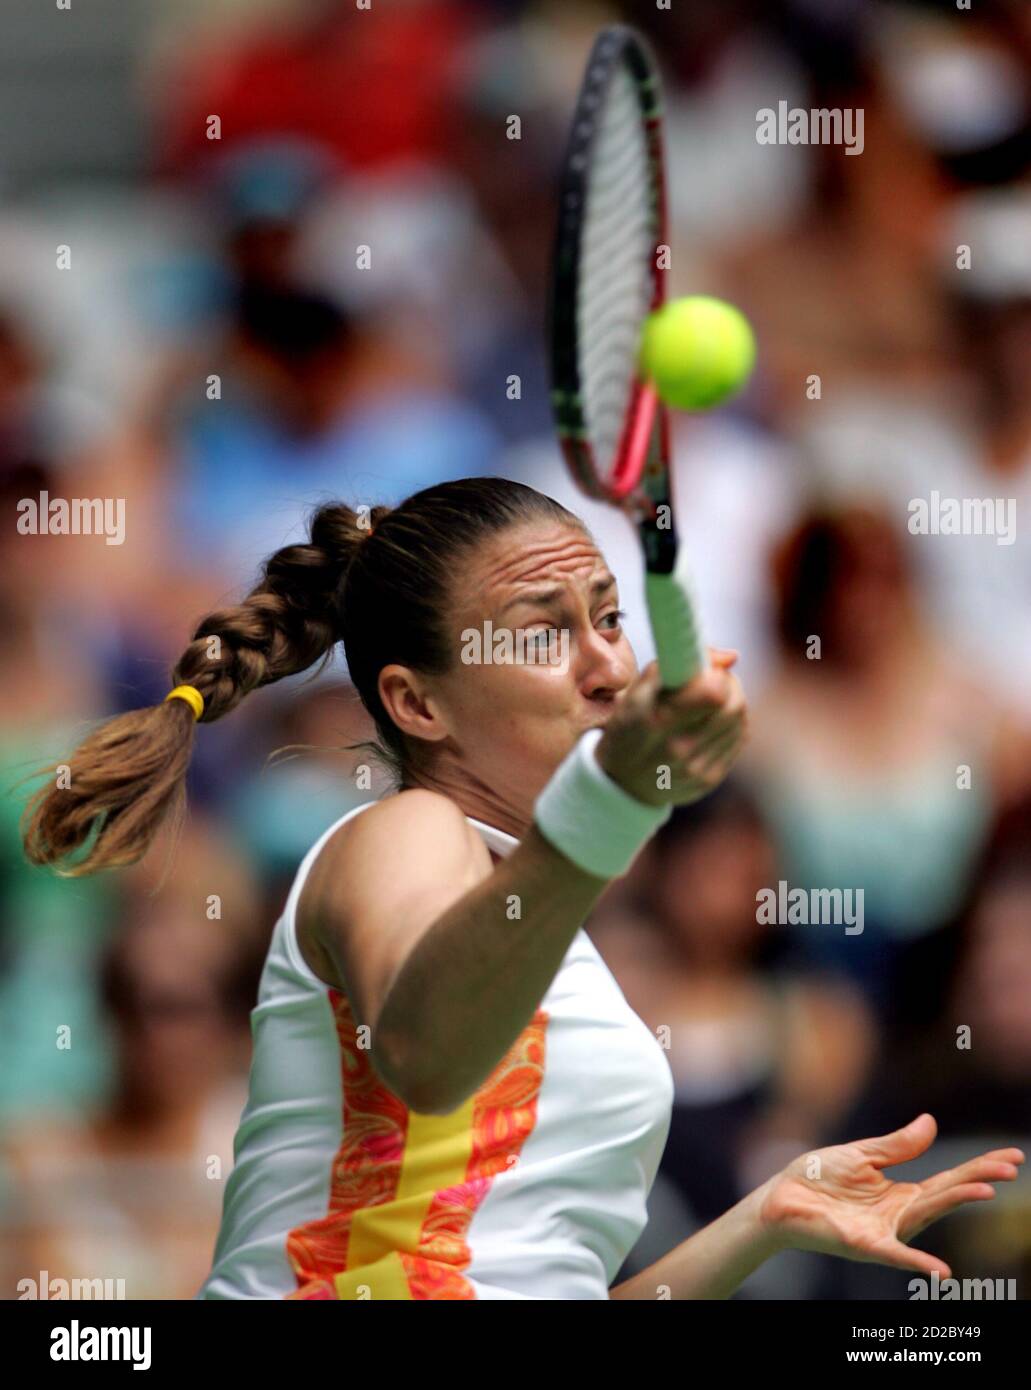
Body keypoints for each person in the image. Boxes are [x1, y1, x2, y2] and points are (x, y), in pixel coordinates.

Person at [22, 477, 1024, 1300]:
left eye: (607, 617)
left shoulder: (552, 934)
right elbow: (422, 1051)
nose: (604, 665)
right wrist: (610, 805)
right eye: (543, 633)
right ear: (416, 703)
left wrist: (764, 1218)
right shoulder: (404, 834)